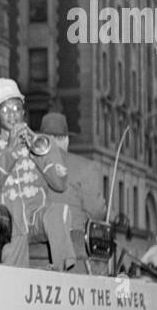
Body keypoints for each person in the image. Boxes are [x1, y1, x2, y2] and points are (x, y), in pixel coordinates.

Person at [0, 79, 74, 270]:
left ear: (23, 112)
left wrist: (36, 150)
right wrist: (10, 151)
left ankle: (64, 271)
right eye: (5, 110)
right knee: (16, 227)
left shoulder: (43, 143)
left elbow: (60, 183)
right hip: (9, 227)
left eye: (16, 108)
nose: (12, 114)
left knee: (59, 212)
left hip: (37, 218)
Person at [40, 112, 109, 271]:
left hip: (33, 255)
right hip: (73, 255)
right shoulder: (86, 167)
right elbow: (97, 212)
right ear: (66, 139)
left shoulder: (30, 166)